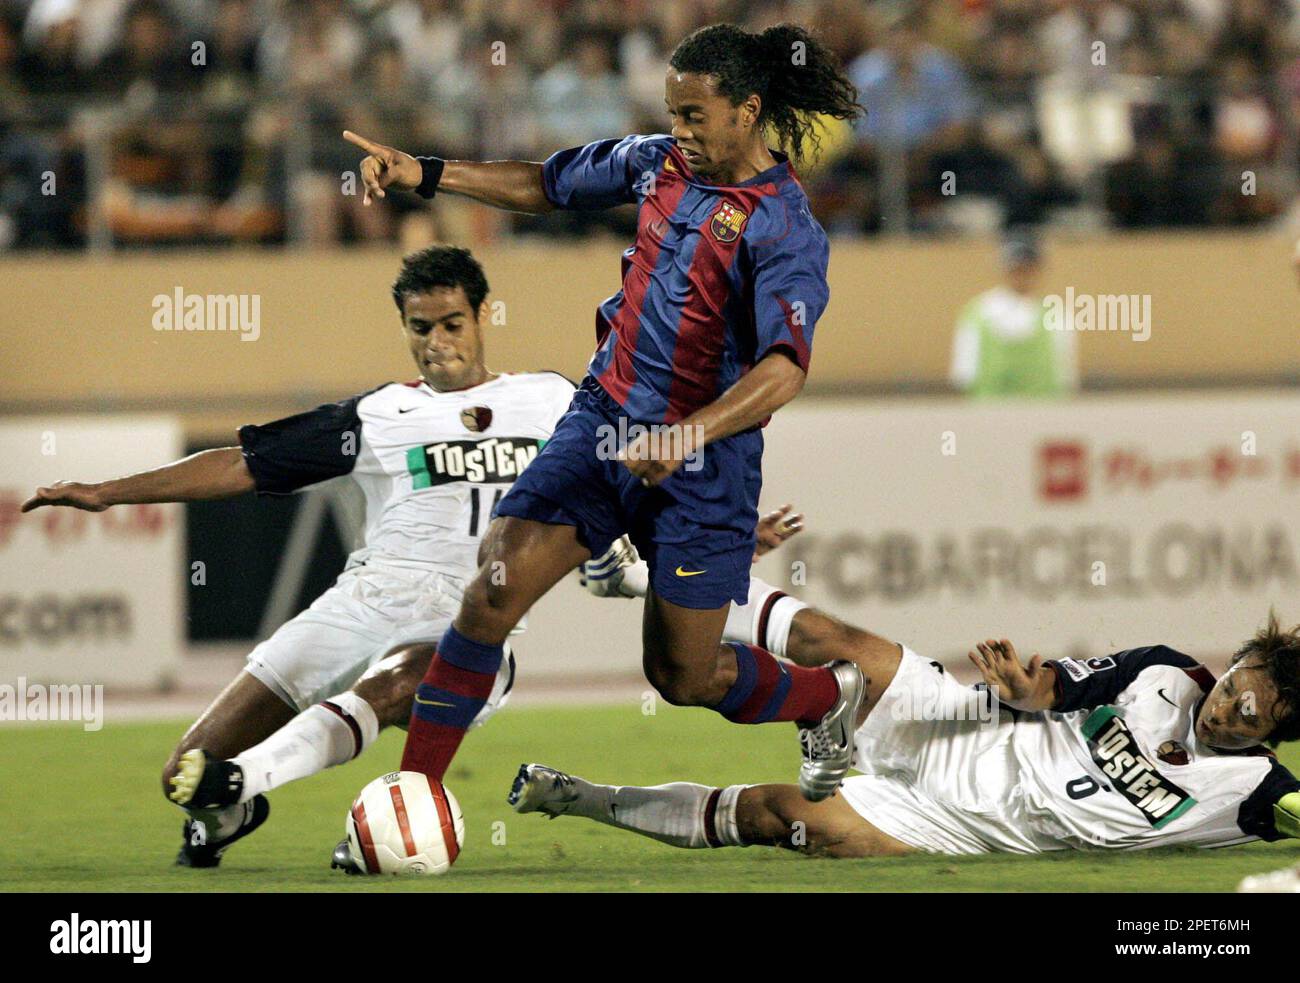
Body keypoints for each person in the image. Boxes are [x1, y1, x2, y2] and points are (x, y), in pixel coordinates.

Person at [342, 22, 867, 802]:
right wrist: (423, 172)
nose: (679, 131)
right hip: (604, 422)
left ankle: (827, 698)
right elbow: (545, 184)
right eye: (673, 112)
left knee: (683, 674)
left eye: (695, 115)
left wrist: (690, 431)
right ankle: (411, 798)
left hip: (704, 462)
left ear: (748, 110)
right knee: (493, 588)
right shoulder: (656, 163)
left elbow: (784, 369)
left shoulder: (784, 226)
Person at [21, 246, 575, 867]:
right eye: (421, 327)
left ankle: (249, 780)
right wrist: (106, 492)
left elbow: (617, 465)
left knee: (393, 686)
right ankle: (233, 807)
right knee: (186, 771)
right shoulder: (377, 415)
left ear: (484, 316)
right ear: (403, 327)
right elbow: (242, 462)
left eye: (452, 323)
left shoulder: (550, 400)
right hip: (362, 605)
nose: (437, 341)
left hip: (465, 619)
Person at [510, 534, 1300, 857]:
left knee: (781, 815)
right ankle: (640, 576)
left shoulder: (1260, 792)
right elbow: (1057, 685)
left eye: (1249, 715)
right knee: (842, 641)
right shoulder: (1164, 671)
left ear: (1279, 733)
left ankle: (583, 797)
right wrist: (1027, 688)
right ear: (1232, 663)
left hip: (972, 825)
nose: (1227, 707)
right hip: (972, 733)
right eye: (1236, 684)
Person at [949, 234, 1078, 398]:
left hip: (1044, 412)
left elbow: (1065, 374)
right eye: (1016, 269)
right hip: (988, 413)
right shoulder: (978, 312)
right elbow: (964, 373)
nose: (1022, 275)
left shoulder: (1056, 314)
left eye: (1028, 269)